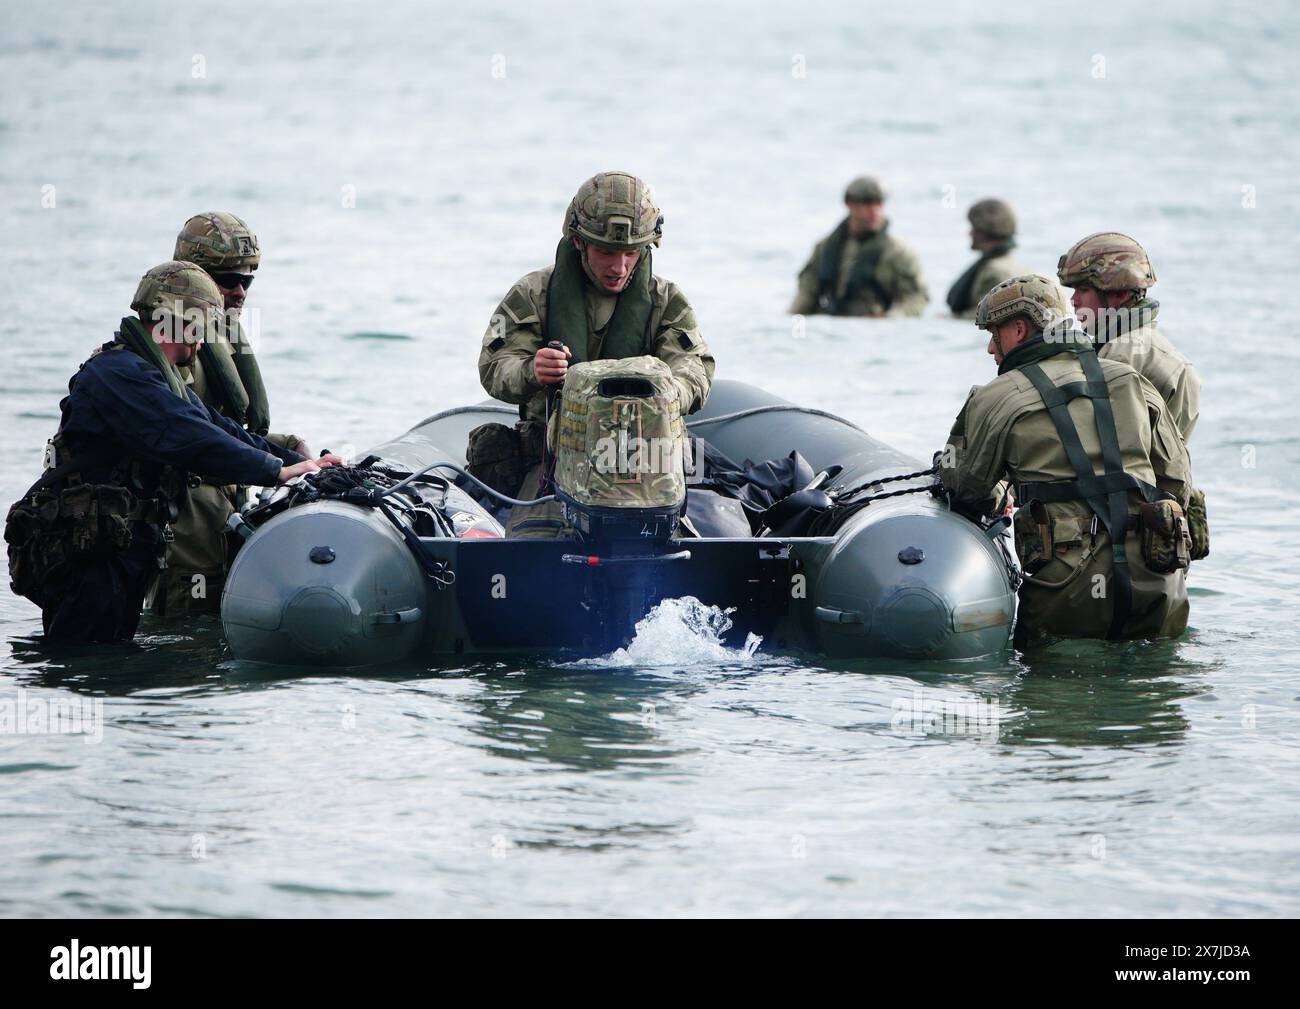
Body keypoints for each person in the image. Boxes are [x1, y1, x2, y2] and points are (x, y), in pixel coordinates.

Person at [3, 262, 340, 643]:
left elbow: (219, 428)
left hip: (121, 551)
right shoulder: (117, 374)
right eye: (198, 328)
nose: (201, 342)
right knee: (86, 663)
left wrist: (304, 466)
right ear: (169, 322)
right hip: (91, 558)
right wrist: (273, 472)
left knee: (112, 663)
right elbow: (184, 435)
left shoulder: (156, 378)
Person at [936, 274, 1194, 647]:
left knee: (1051, 692)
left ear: (1019, 330)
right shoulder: (1131, 380)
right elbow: (1178, 482)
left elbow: (964, 490)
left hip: (1065, 589)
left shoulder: (994, 398)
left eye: (994, 334)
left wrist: (1000, 494)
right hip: (1156, 582)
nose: (991, 349)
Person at [477, 171, 715, 537]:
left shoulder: (666, 301)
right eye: (606, 252)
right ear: (578, 242)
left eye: (630, 253)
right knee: (532, 547)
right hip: (553, 462)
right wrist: (532, 369)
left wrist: (670, 389)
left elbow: (695, 368)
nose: (618, 267)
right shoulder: (534, 294)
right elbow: (495, 367)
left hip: (648, 464)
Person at [160, 211, 308, 616]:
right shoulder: (174, 344)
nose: (240, 292)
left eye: (247, 280)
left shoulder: (223, 336)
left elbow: (229, 426)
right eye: (227, 281)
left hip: (226, 511)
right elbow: (190, 433)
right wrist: (280, 461)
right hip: (185, 522)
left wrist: (292, 450)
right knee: (185, 643)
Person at [1057, 231, 1201, 440]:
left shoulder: (1121, 353)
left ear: (1120, 294)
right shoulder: (1152, 345)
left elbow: (1094, 439)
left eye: (1084, 290)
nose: (1073, 300)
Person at [789, 175, 928, 317]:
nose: (874, 210)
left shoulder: (898, 252)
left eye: (879, 203)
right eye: (867, 203)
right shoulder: (825, 249)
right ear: (850, 204)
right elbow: (806, 293)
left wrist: (890, 319)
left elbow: (916, 298)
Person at [946, 198, 1028, 317]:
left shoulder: (995, 272)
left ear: (985, 233)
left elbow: (988, 317)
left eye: (974, 228)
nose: (970, 233)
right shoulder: (1012, 266)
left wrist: (950, 319)